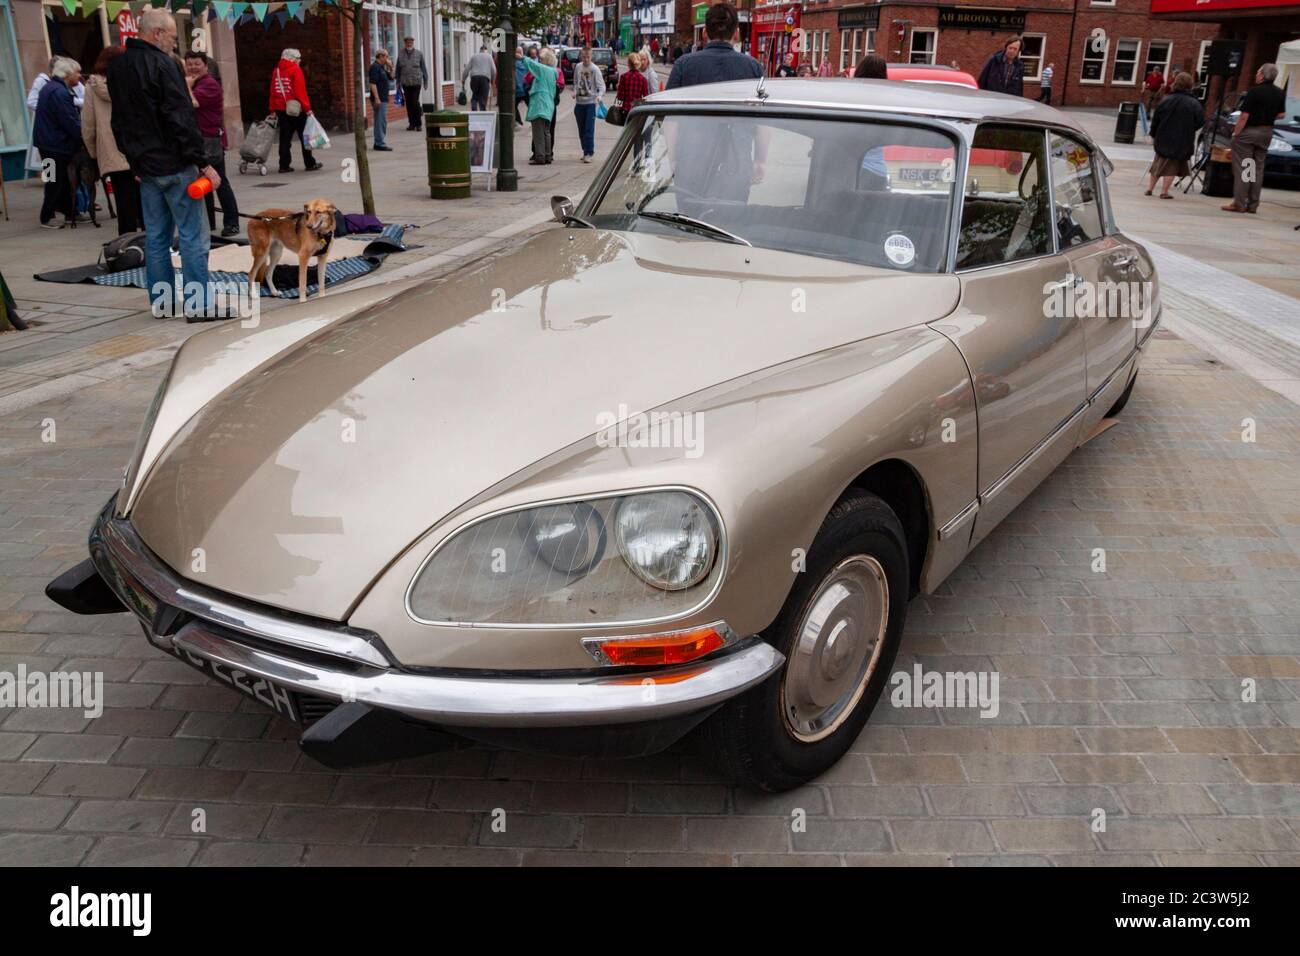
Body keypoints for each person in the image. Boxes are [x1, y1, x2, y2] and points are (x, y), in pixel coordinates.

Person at [106, 9, 222, 319]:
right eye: (172, 37)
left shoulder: (118, 67)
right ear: (157, 33)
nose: (174, 43)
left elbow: (118, 122)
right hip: (175, 164)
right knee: (192, 237)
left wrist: (134, 163)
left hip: (145, 168)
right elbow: (180, 119)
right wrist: (203, 162)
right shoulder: (163, 64)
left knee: (156, 238)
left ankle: (163, 303)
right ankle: (199, 305)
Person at [83, 47, 141, 235]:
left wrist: (94, 153)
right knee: (145, 200)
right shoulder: (132, 81)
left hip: (111, 151)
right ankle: (152, 244)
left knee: (123, 202)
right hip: (137, 148)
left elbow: (88, 124)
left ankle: (126, 244)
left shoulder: (92, 87)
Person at [184, 50, 239, 237]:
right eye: (189, 64)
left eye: (197, 64)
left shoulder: (209, 84)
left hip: (209, 140)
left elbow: (192, 103)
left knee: (219, 181)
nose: (192, 67)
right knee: (203, 183)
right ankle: (209, 223)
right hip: (198, 139)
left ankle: (232, 223)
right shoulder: (197, 83)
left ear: (205, 66)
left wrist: (187, 86)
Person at [1224, 63, 1285, 215]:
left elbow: (1244, 116)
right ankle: (1252, 204)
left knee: (1244, 167)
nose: (1256, 75)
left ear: (1263, 76)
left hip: (1249, 132)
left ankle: (1239, 203)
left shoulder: (1254, 92)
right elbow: (1281, 114)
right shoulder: (1279, 92)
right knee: (1256, 168)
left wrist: (1236, 134)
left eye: (1258, 72)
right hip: (1266, 132)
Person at [33, 57, 83, 230]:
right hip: (54, 145)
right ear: (67, 74)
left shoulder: (51, 88)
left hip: (48, 143)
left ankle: (69, 211)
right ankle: (47, 216)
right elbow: (69, 121)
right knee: (54, 180)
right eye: (77, 72)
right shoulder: (59, 92)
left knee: (58, 179)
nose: (79, 75)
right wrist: (82, 137)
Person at [667, 3, 763, 89]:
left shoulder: (683, 65)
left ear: (704, 33)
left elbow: (667, 104)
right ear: (737, 34)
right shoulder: (754, 67)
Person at [1146, 71, 1203, 200]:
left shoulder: (1166, 100)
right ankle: (1164, 191)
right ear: (1190, 85)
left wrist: (1153, 134)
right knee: (1172, 166)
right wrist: (1190, 128)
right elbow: (1200, 121)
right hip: (1182, 139)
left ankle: (1150, 188)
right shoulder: (1194, 103)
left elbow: (1156, 119)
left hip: (1163, 137)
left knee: (1157, 163)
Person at [269, 49, 322, 173]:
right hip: (296, 109)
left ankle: (284, 165)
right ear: (293, 58)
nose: (300, 61)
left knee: (284, 138)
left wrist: (272, 109)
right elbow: (300, 91)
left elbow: (272, 91)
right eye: (298, 58)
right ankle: (309, 163)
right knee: (305, 136)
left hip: (281, 109)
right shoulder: (296, 70)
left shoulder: (276, 71)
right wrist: (307, 109)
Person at [521, 47, 558, 165]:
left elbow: (532, 65)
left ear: (546, 60)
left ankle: (540, 157)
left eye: (541, 58)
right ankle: (547, 155)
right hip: (548, 105)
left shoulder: (544, 70)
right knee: (546, 132)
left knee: (538, 132)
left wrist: (523, 58)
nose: (539, 60)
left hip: (540, 105)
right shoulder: (553, 71)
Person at [572, 45, 605, 164]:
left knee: (588, 129)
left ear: (591, 57)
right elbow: (576, 82)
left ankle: (589, 152)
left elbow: (602, 87)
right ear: (581, 56)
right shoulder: (578, 67)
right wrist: (575, 91)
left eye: (588, 57)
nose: (586, 59)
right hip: (579, 103)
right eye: (584, 57)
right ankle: (585, 150)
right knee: (581, 130)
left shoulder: (595, 69)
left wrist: (599, 96)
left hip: (591, 103)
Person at [397, 36, 428, 131]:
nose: (409, 44)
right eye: (407, 42)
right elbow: (398, 68)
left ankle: (418, 124)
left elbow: (423, 68)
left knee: (415, 102)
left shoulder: (419, 54)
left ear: (413, 43)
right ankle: (411, 123)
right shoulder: (401, 54)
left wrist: (426, 81)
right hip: (405, 82)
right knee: (409, 104)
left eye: (410, 42)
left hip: (416, 82)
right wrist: (397, 81)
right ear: (405, 43)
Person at [368, 49, 393, 151]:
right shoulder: (375, 67)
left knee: (382, 121)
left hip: (383, 98)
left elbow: (392, 77)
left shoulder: (381, 68)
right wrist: (377, 98)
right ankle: (379, 143)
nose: (387, 59)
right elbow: (372, 84)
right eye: (386, 56)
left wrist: (391, 66)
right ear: (381, 56)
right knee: (380, 121)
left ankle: (379, 142)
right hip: (379, 99)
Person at [463, 44, 496, 112]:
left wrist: (463, 79)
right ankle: (482, 113)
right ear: (486, 50)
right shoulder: (489, 57)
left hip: (474, 78)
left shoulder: (474, 56)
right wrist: (493, 80)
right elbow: (494, 70)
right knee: (483, 98)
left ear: (480, 50)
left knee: (475, 95)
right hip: (485, 78)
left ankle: (474, 110)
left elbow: (467, 69)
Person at [617, 51, 651, 116]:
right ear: (639, 64)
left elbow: (620, 96)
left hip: (626, 110)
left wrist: (619, 106)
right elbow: (646, 96)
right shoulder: (643, 79)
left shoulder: (623, 77)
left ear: (628, 64)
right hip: (637, 110)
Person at [514, 47, 528, 127]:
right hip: (526, 88)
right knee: (530, 105)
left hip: (517, 89)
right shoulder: (526, 63)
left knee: (513, 106)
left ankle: (518, 121)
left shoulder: (513, 64)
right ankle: (534, 121)